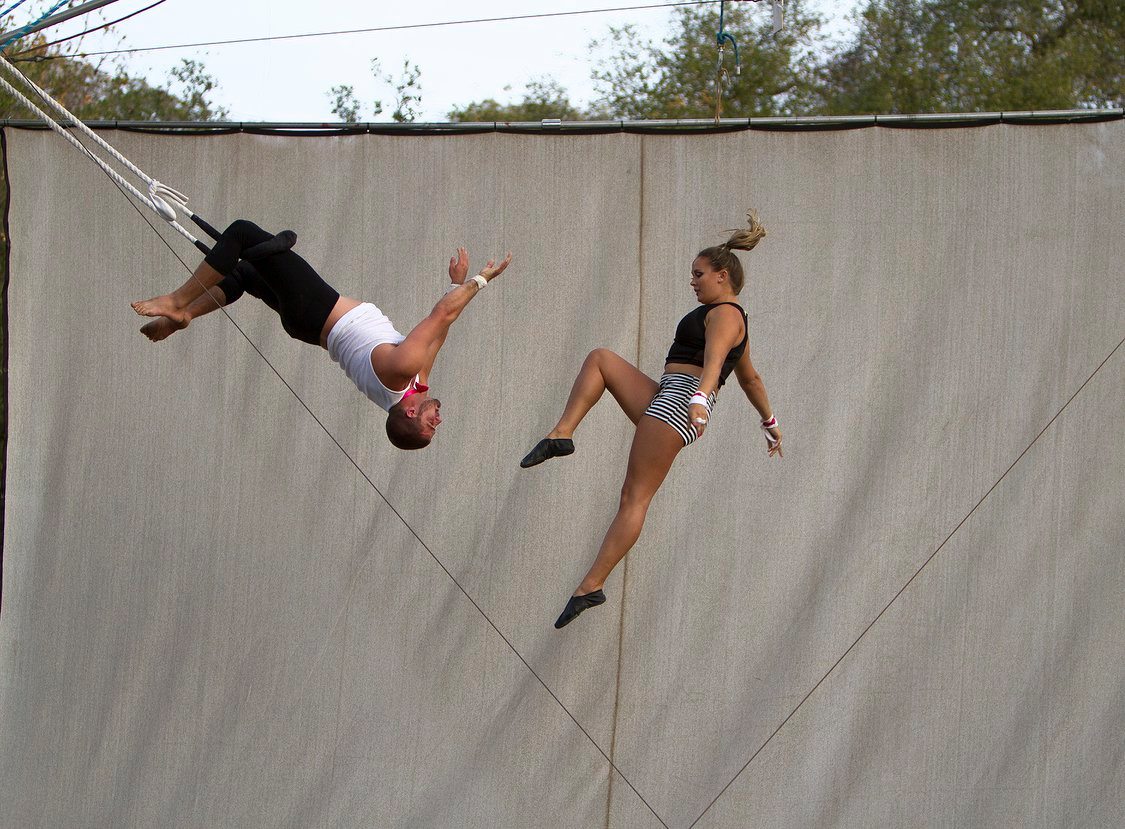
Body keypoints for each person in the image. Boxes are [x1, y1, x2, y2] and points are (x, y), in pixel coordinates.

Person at [520, 211, 782, 628]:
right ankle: (562, 434)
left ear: (722, 276)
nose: (692, 281)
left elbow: (715, 361)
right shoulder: (729, 317)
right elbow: (749, 377)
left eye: (698, 274)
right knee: (602, 360)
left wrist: (699, 400)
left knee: (634, 498)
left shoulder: (727, 314)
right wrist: (769, 423)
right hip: (668, 394)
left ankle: (592, 585)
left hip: (681, 403)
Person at [131, 219, 511, 449]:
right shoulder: (414, 381)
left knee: (244, 234)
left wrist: (480, 281)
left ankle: (176, 302)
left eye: (429, 425)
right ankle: (187, 317)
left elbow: (441, 316)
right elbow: (442, 326)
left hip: (316, 308)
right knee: (245, 276)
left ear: (411, 412)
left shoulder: (402, 369)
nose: (438, 421)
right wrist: (455, 284)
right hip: (308, 327)